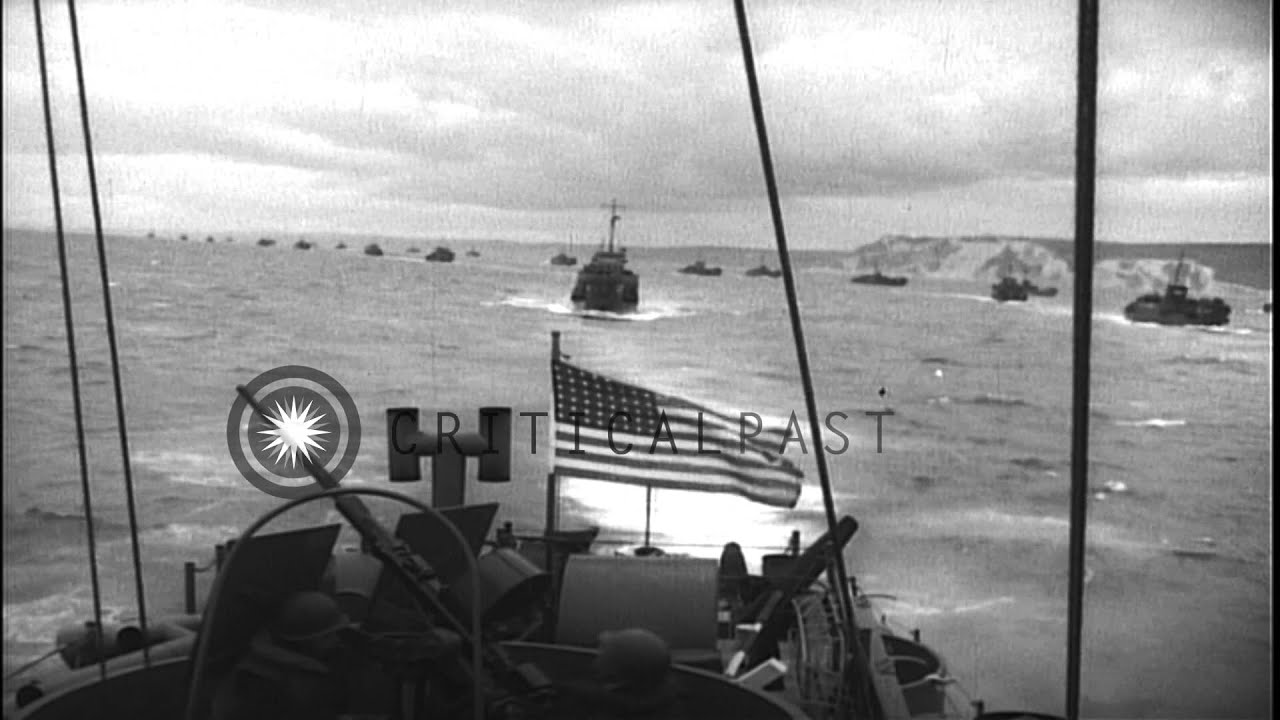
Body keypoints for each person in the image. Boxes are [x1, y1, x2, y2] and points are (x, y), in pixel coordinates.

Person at [210, 591, 354, 720]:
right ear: (303, 640)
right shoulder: (260, 683)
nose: (336, 640)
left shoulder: (298, 667)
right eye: (326, 636)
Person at [561, 628, 685, 720]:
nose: (596, 659)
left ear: (615, 678)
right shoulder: (667, 704)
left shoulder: (605, 709)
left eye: (603, 654)